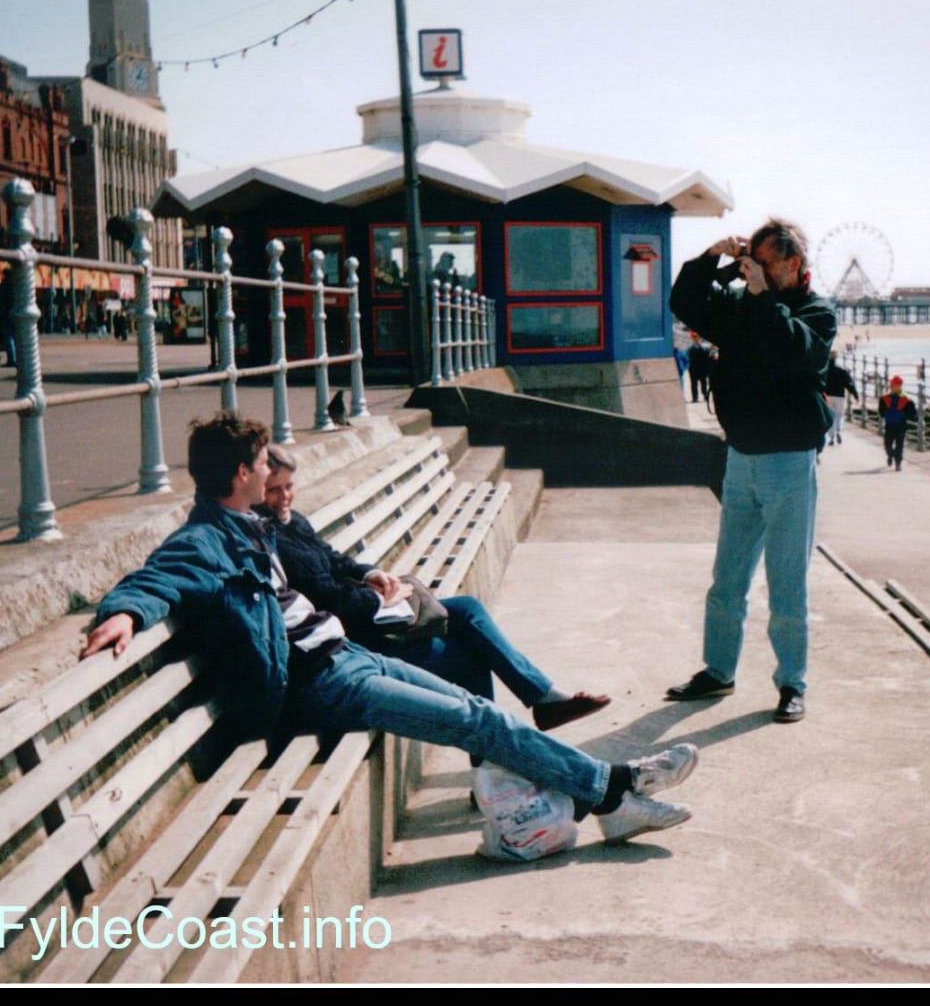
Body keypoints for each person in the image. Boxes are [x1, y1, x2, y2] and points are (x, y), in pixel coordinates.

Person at [80, 412, 696, 844]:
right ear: (243, 472)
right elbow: (157, 576)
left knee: (478, 710)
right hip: (320, 684)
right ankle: (614, 790)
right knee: (475, 721)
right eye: (264, 464)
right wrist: (125, 613)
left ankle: (608, 793)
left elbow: (320, 567)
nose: (270, 475)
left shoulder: (251, 524)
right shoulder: (204, 539)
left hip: (346, 656)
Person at [256, 443, 612, 733]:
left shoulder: (292, 521)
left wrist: (372, 575)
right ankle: (495, 763)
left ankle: (543, 698)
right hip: (357, 642)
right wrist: (380, 599)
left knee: (467, 608)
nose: (284, 496)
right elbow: (330, 600)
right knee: (470, 657)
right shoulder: (270, 539)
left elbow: (334, 560)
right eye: (274, 490)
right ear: (257, 489)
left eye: (289, 486)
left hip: (372, 617)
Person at [665, 218, 836, 724]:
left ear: (793, 263)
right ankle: (718, 671)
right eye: (750, 261)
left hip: (789, 462)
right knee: (727, 579)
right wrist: (709, 260)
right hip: (740, 457)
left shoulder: (816, 312)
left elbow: (794, 352)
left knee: (786, 583)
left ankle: (792, 683)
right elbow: (686, 304)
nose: (752, 271)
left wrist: (761, 296)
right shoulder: (742, 304)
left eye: (763, 263)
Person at [879, 374, 918, 471]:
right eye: (892, 384)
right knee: (887, 444)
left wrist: (905, 416)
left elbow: (913, 414)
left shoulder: (907, 399)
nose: (892, 386)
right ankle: (890, 455)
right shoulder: (884, 398)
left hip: (901, 425)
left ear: (900, 386)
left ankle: (898, 463)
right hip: (889, 425)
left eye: (894, 384)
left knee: (899, 445)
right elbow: (881, 411)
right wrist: (886, 415)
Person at [824, 350, 857, 446]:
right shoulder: (841, 370)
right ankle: (838, 430)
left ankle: (832, 437)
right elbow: (849, 383)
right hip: (840, 396)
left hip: (828, 396)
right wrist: (855, 394)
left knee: (830, 416)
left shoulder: (825, 370)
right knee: (839, 415)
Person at [686, 332, 714, 406]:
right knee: (693, 384)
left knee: (704, 383)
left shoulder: (705, 347)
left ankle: (705, 396)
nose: (696, 338)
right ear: (692, 338)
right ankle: (695, 397)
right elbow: (687, 358)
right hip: (693, 369)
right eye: (694, 337)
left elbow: (709, 355)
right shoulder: (690, 348)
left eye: (697, 337)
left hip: (703, 368)